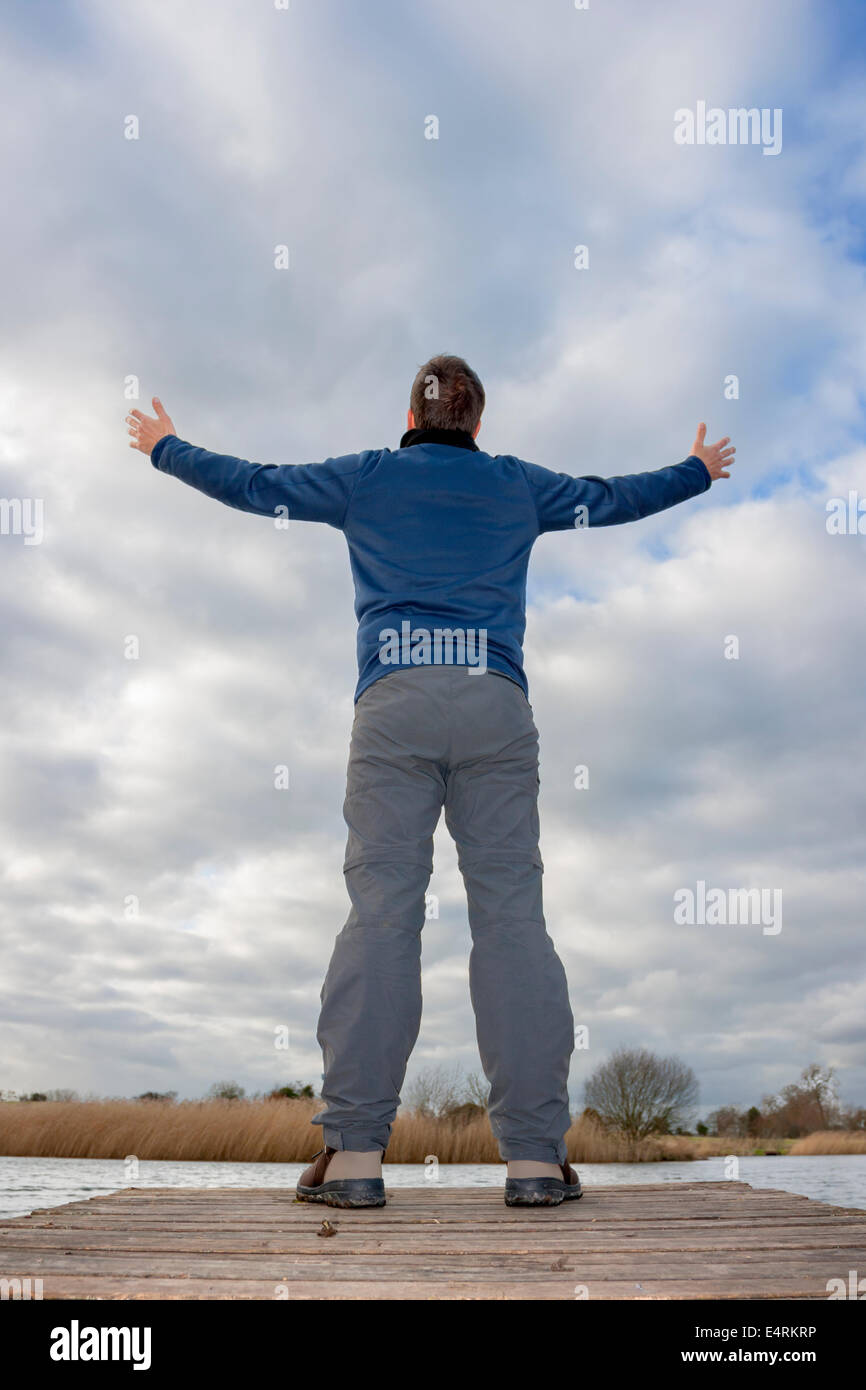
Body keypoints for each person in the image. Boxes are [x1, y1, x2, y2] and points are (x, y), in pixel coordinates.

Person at [127, 355, 735, 1208]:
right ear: (478, 424)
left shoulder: (366, 478)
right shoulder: (518, 486)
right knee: (513, 918)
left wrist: (166, 447)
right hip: (493, 700)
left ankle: (354, 1162)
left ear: (408, 415)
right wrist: (698, 471)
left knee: (381, 912)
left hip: (396, 703)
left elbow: (257, 483)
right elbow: (615, 495)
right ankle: (532, 1162)